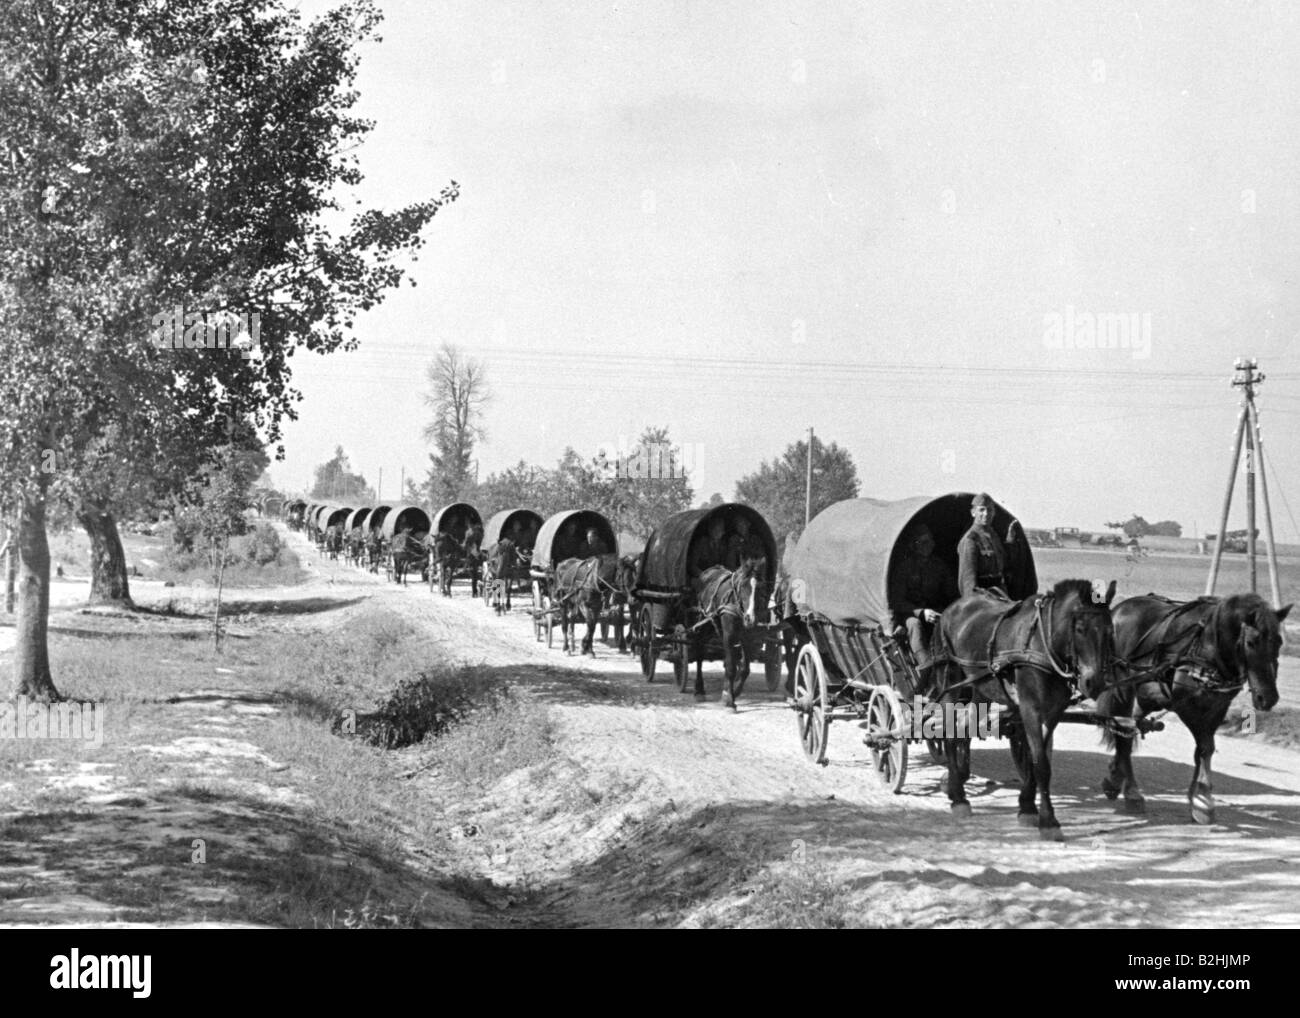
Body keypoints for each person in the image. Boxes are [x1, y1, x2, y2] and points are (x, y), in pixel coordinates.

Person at [889, 524, 958, 672]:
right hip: (907, 615)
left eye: (930, 541)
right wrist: (921, 612)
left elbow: (951, 592)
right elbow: (897, 601)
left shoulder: (939, 566)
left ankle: (953, 664)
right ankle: (925, 667)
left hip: (934, 611)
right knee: (914, 625)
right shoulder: (904, 568)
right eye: (923, 542)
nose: (929, 546)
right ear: (914, 546)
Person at [957, 492, 1009, 597]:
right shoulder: (971, 540)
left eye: (989, 510)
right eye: (981, 510)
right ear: (973, 512)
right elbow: (968, 583)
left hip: (1000, 594)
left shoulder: (994, 536)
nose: (986, 514)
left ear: (994, 512)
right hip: (983, 600)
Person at [688, 517, 729, 588]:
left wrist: (722, 569)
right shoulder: (701, 543)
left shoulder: (723, 545)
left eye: (719, 530)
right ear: (710, 530)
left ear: (723, 533)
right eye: (715, 529)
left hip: (717, 577)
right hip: (701, 577)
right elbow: (692, 566)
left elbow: (725, 564)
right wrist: (703, 575)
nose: (717, 533)